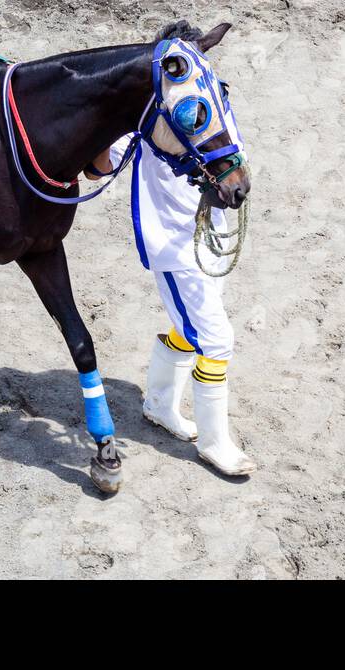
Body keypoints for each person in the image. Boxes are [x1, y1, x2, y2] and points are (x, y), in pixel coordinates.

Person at [86, 134, 253, 477]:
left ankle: (160, 404)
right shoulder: (138, 126)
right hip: (174, 249)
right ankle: (214, 442)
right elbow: (96, 170)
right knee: (216, 337)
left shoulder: (205, 109)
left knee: (190, 326)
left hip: (209, 230)